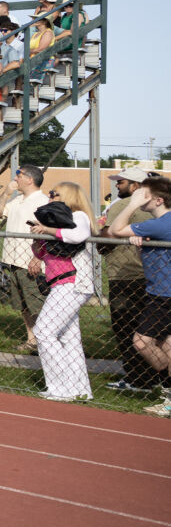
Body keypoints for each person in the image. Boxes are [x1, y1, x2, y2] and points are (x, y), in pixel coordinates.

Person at [103, 174, 171, 416]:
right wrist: (144, 244)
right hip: (158, 290)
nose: (140, 197)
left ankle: (167, 388)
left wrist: (132, 204)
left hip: (163, 295)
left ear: (159, 200)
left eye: (145, 195)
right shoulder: (161, 225)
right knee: (166, 343)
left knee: (141, 342)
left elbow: (114, 229)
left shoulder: (161, 223)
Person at [30, 182, 97, 402]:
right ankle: (79, 389)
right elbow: (41, 254)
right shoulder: (56, 219)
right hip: (59, 283)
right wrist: (39, 232)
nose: (49, 196)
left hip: (73, 282)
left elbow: (77, 235)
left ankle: (62, 387)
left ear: (67, 196)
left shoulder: (78, 216)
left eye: (54, 194)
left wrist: (48, 230)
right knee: (70, 338)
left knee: (43, 332)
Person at [96, 167, 161, 394]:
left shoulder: (123, 206)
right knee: (152, 332)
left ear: (135, 186)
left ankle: (137, 379)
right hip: (150, 275)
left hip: (125, 275)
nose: (117, 185)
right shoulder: (156, 209)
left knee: (125, 329)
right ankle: (154, 376)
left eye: (121, 182)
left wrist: (98, 234)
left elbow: (106, 238)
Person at [0, 164, 50, 352]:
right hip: (13, 260)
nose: (15, 179)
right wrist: (6, 193)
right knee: (24, 304)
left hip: (31, 261)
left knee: (37, 303)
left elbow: (48, 235)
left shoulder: (43, 202)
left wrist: (38, 258)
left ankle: (45, 340)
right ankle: (32, 339)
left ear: (29, 179)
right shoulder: (17, 201)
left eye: (18, 175)